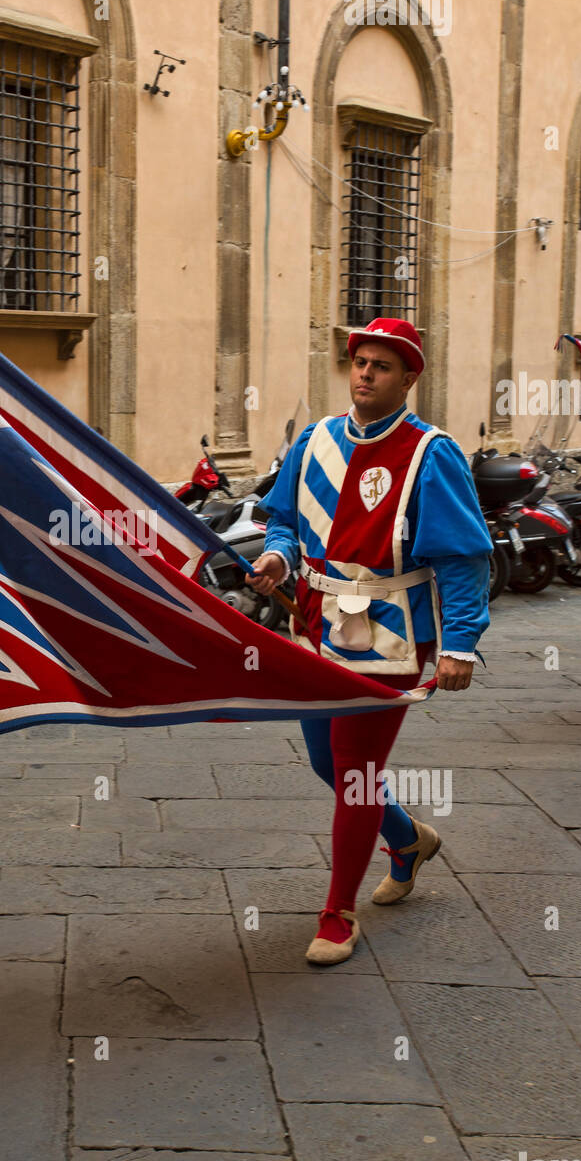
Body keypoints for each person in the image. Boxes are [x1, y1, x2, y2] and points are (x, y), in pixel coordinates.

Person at [246, 318, 492, 964]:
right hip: (316, 626)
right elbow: (281, 518)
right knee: (328, 765)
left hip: (389, 635)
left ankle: (336, 915)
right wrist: (275, 559)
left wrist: (459, 643)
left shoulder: (429, 452)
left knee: (355, 772)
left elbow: (462, 558)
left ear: (408, 378)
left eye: (381, 365)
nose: (365, 373)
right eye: (359, 361)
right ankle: (408, 839)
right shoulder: (315, 440)